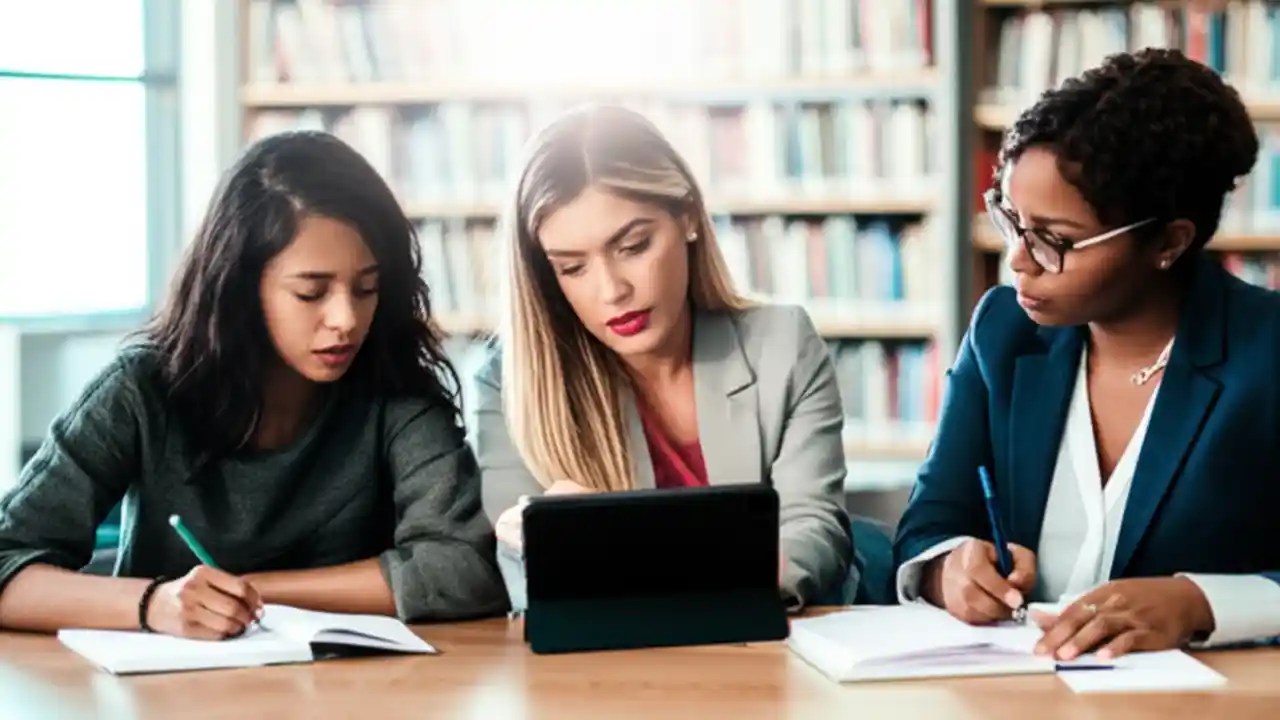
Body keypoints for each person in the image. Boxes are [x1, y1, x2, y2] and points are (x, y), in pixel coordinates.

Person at [0, 132, 507, 639]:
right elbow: (8, 561)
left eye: (366, 288)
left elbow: (465, 568)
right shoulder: (140, 390)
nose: (346, 319)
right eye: (311, 292)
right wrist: (156, 602)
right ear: (240, 286)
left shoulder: (395, 389)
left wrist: (249, 591)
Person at [893, 48, 1280, 660]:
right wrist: (948, 568)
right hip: (1016, 695)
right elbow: (929, 521)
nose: (1017, 259)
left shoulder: (1267, 353)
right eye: (1010, 221)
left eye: (1053, 240)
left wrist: (1198, 603)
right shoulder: (1002, 331)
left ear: (1169, 242)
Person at [470, 105, 853, 612]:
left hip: (767, 654)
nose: (612, 291)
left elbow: (814, 531)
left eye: (633, 245)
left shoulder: (782, 344)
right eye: (573, 268)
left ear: (688, 215)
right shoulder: (509, 382)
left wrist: (618, 551)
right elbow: (523, 583)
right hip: (606, 674)